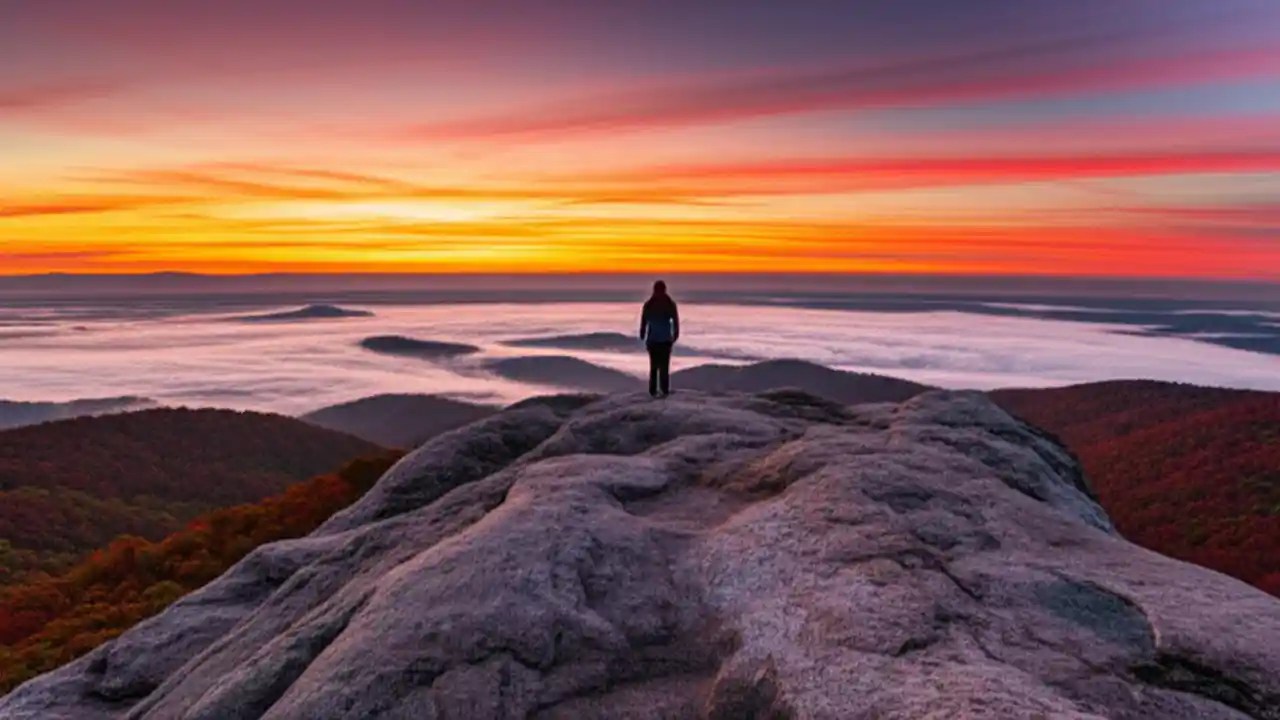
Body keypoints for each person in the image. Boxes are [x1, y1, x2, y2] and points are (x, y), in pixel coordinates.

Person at [639, 280, 680, 397]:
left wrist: (675, 333)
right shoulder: (665, 303)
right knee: (657, 367)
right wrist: (675, 333)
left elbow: (675, 321)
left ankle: (661, 390)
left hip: (661, 340)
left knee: (660, 367)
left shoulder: (655, 304)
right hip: (657, 340)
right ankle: (657, 390)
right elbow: (644, 320)